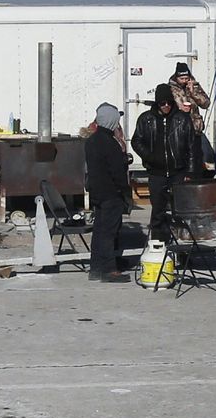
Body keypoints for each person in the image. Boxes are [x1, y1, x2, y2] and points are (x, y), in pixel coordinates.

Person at [131, 82, 203, 234]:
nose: (166, 106)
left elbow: (192, 146)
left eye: (169, 103)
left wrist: (190, 172)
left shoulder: (182, 119)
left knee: (179, 209)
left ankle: (180, 239)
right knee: (158, 209)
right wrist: (149, 156)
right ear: (157, 103)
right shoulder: (146, 119)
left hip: (178, 171)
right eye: (162, 103)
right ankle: (158, 239)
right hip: (156, 172)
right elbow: (136, 141)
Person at [83, 103, 132, 283]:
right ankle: (109, 269)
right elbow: (117, 172)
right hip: (111, 193)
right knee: (109, 232)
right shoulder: (110, 143)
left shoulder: (91, 141)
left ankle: (96, 268)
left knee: (99, 230)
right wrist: (125, 191)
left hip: (97, 192)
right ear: (112, 121)